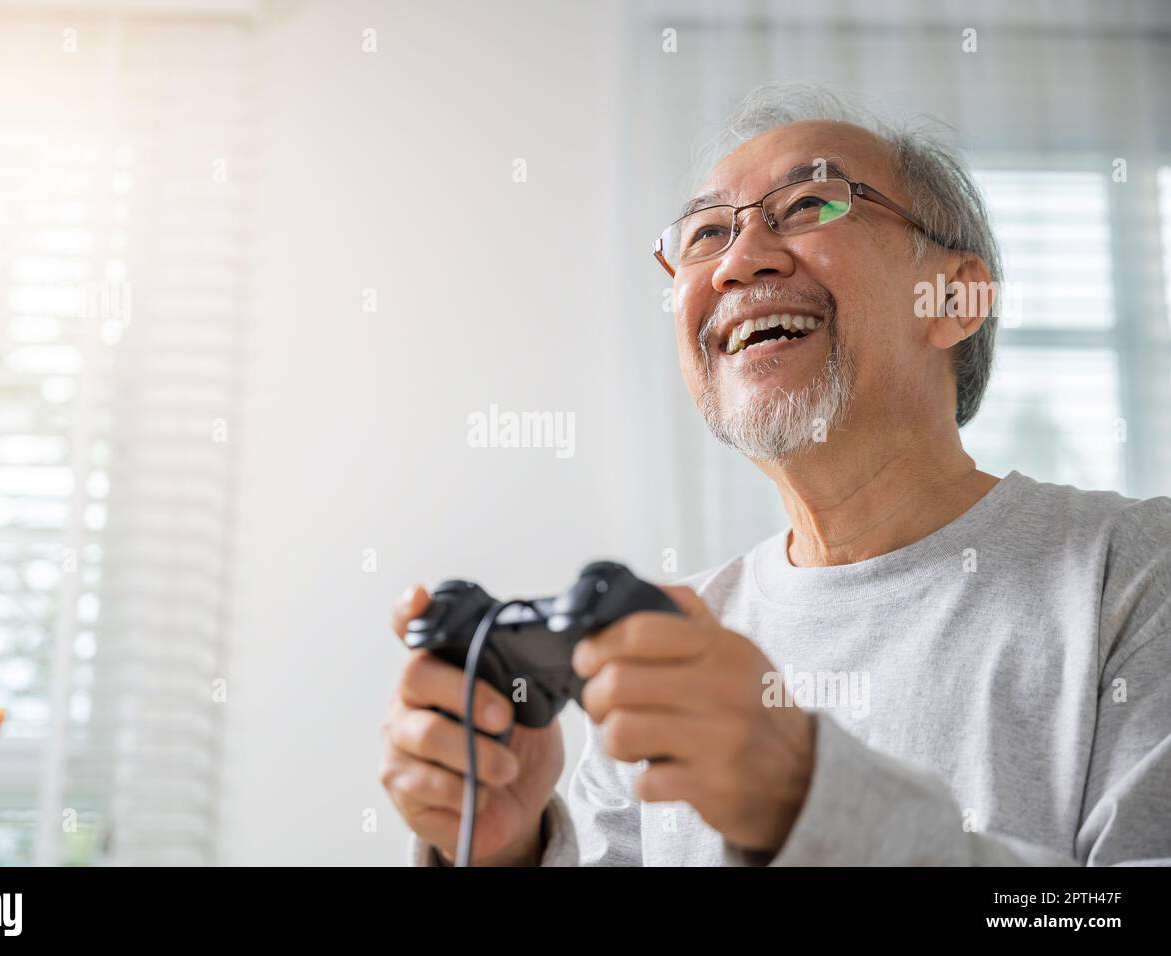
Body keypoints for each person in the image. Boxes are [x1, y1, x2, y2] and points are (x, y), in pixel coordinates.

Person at [380, 84, 1171, 866]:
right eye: (705, 235)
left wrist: (809, 801)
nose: (739, 262)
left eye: (809, 206)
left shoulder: (1137, 570)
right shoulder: (675, 631)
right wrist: (510, 849)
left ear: (956, 297)